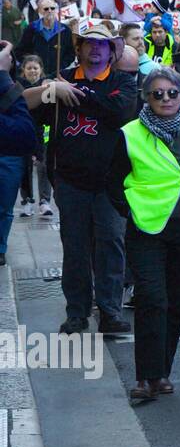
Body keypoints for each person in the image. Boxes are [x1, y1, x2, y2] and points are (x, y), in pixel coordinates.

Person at [108, 68, 180, 401]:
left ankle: (161, 373)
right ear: (147, 98)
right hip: (147, 230)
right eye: (157, 94)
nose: (166, 99)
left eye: (172, 92)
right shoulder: (130, 133)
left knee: (175, 302)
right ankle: (145, 377)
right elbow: (113, 181)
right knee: (152, 299)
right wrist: (131, 211)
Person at [24, 22, 137, 333]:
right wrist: (51, 89)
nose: (95, 49)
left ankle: (110, 311)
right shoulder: (61, 79)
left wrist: (78, 95)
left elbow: (119, 111)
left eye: (102, 44)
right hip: (70, 180)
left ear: (111, 52)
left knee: (110, 245)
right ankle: (77, 311)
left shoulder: (122, 82)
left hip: (111, 182)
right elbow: (25, 104)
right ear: (79, 48)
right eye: (89, 43)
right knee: (75, 249)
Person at [0, 44, 38, 260]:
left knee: (4, 208)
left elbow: (25, 133)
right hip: (10, 156)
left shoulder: (13, 90)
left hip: (10, 159)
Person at [16, 55, 53, 217]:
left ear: (41, 70)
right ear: (23, 70)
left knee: (43, 166)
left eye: (35, 68)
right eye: (29, 68)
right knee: (25, 167)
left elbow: (51, 108)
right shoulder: (17, 86)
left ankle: (45, 201)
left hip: (43, 132)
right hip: (23, 132)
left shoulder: (48, 85)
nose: (32, 71)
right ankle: (27, 200)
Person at [16, 0, 74, 77]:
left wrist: (61, 67)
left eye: (52, 8)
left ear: (56, 10)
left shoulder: (65, 30)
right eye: (46, 9)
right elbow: (20, 52)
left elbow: (71, 54)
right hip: (36, 76)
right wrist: (32, 66)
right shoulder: (32, 28)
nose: (49, 11)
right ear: (40, 11)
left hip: (57, 75)